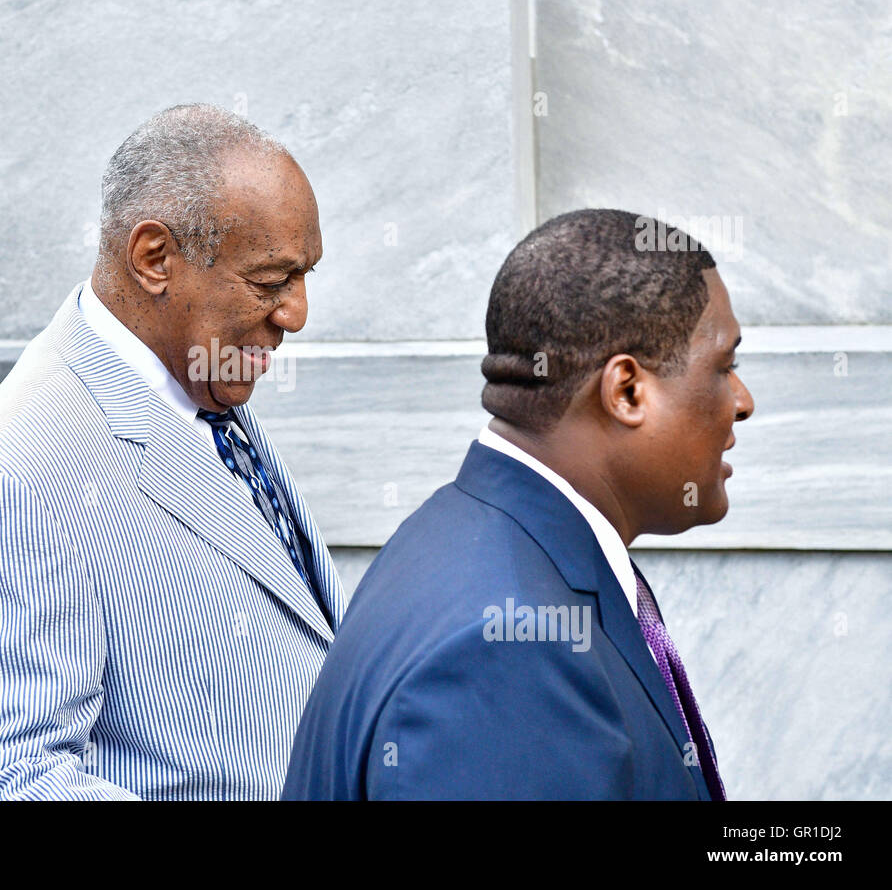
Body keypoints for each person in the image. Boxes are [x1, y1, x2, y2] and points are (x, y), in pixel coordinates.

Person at [0, 104, 344, 799]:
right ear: (154, 259)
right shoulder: (11, 481)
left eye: (305, 279)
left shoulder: (201, 384)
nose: (296, 314)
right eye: (270, 282)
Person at [283, 208, 754, 800]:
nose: (742, 402)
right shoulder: (511, 648)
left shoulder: (466, 534)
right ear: (628, 391)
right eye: (725, 366)